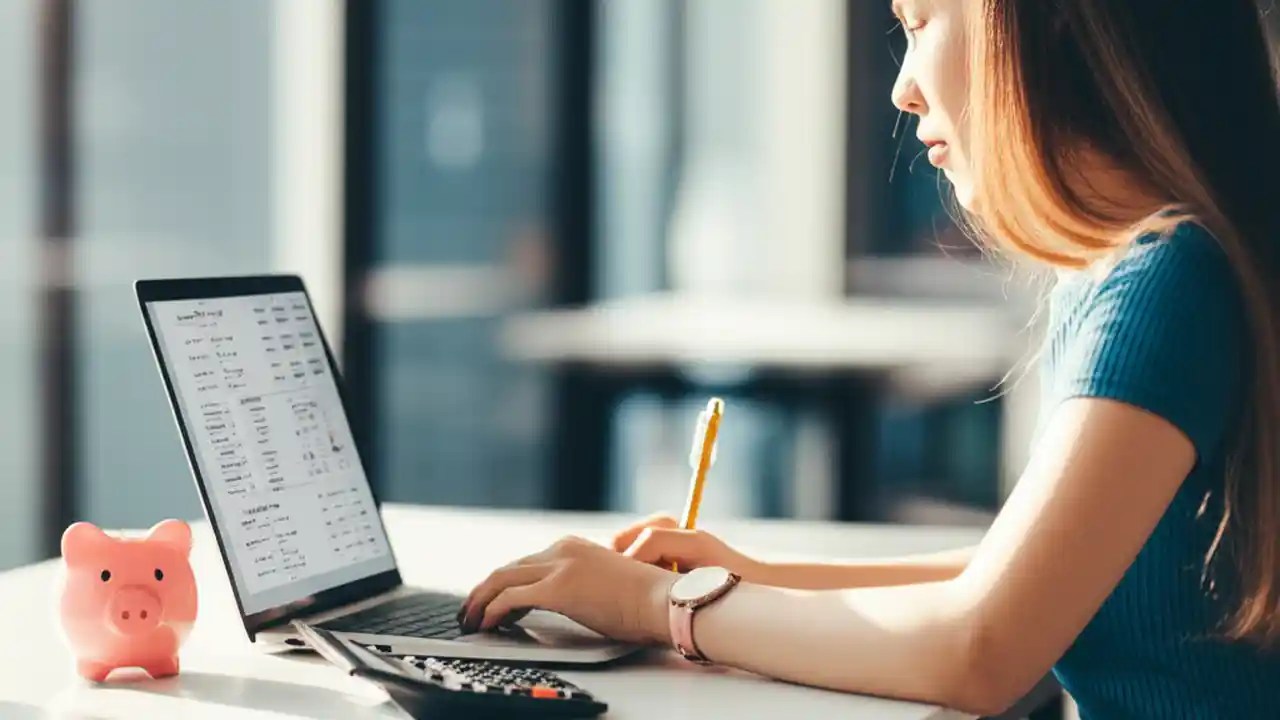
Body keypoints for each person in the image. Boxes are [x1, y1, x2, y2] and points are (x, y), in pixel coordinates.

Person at [460, 1, 1280, 716]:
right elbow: (1028, 575)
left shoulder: (1170, 281)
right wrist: (753, 577)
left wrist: (660, 604)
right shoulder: (1142, 265)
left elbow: (982, 646)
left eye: (920, 24)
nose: (903, 86)